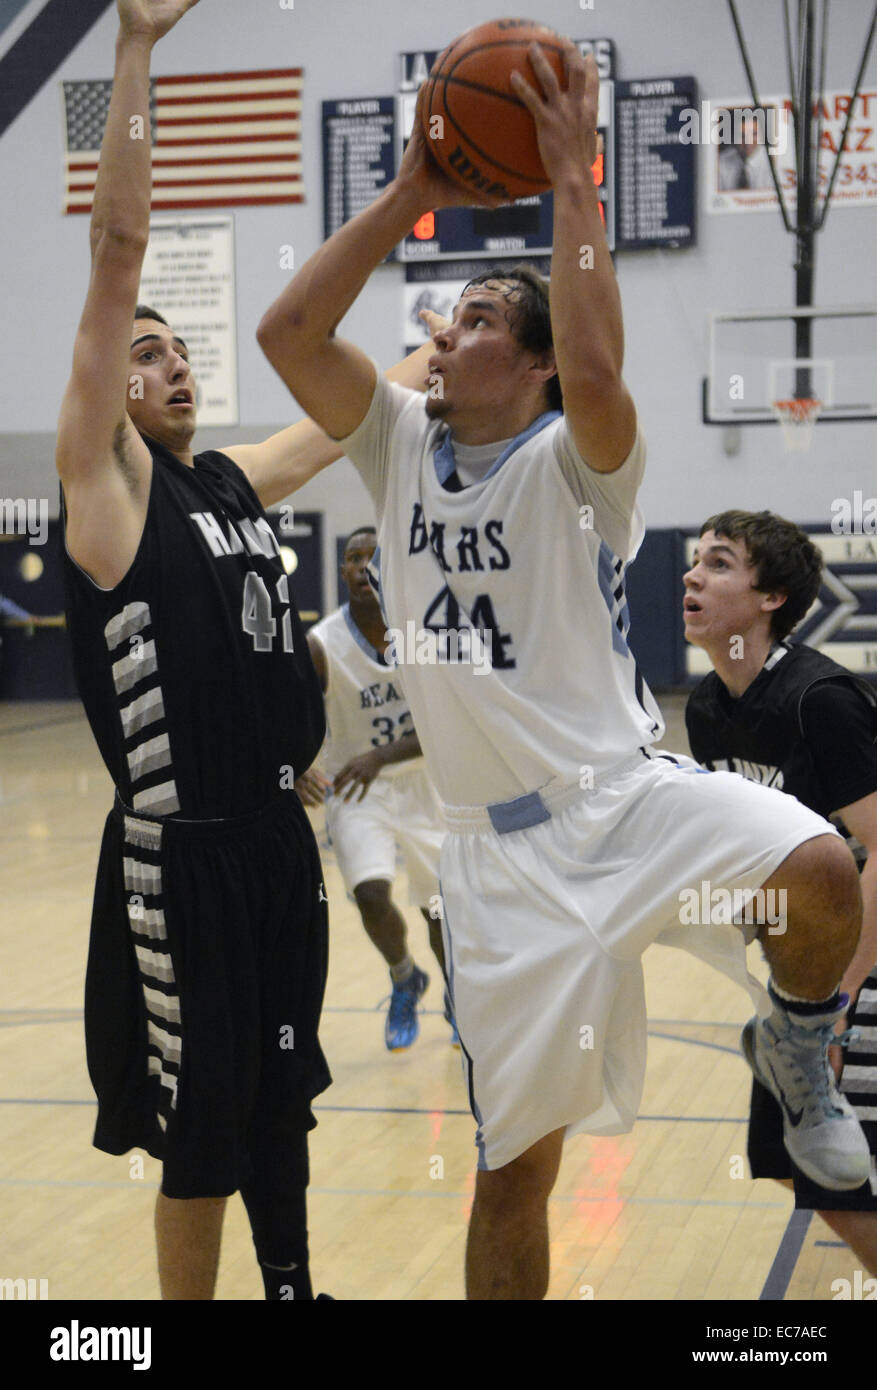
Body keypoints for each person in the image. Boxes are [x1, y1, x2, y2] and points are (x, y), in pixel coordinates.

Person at [256, 39, 869, 1300]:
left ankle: (796, 1048)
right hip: (496, 865)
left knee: (817, 871)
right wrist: (414, 182)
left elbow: (597, 367)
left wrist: (571, 176)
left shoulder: (580, 463)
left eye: (479, 317)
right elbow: (288, 327)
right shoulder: (393, 442)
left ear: (529, 365)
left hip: (623, 802)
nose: (449, 328)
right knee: (511, 1176)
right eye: (452, 312)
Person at [57, 0, 436, 1301]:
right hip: (186, 855)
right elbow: (115, 257)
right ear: (109, 385)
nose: (167, 366)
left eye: (178, 353)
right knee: (203, 1128)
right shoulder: (108, 493)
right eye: (143, 354)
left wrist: (432, 356)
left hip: (280, 841)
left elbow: (340, 425)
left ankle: (290, 1288)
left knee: (284, 1094)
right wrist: (137, 53)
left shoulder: (223, 481)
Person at [684, 509, 877, 1274]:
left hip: (856, 966)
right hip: (807, 978)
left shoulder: (818, 699)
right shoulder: (707, 710)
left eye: (720, 563)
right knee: (815, 1167)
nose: (694, 575)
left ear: (771, 599)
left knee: (842, 1170)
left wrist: (837, 1004)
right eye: (695, 560)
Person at [297, 525, 453, 1051]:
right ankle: (405, 977)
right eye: (353, 558)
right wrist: (293, 765)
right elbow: (282, 711)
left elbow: (447, 721)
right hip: (354, 787)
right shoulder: (321, 644)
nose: (362, 566)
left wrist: (381, 755)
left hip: (426, 783)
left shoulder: (427, 632)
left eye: (373, 557)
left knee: (440, 910)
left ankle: (457, 993)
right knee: (370, 894)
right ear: (342, 571)